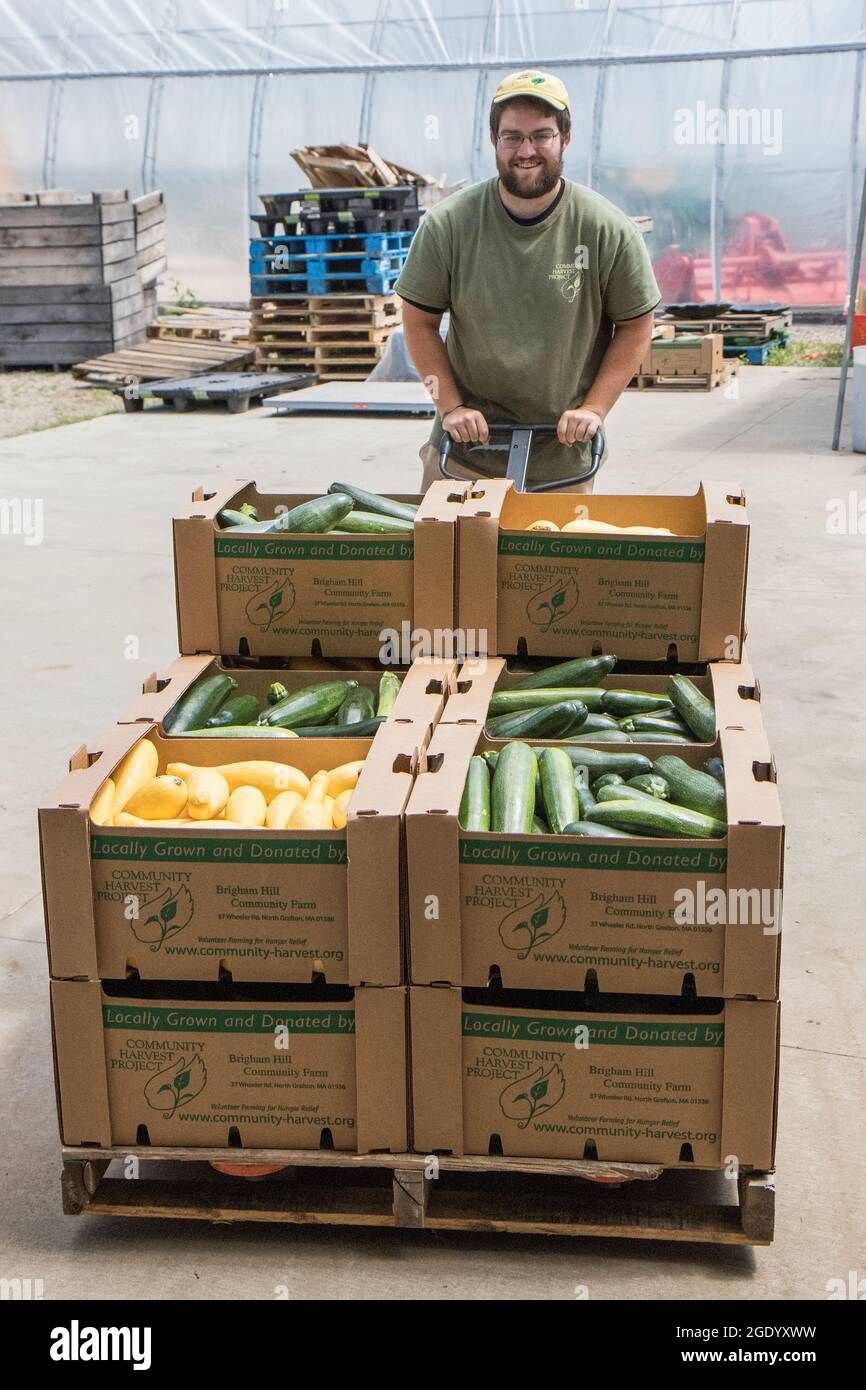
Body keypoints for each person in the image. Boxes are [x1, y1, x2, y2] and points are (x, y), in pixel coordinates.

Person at [396, 68, 661, 492]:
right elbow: (418, 322)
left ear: (565, 139)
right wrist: (450, 408)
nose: (526, 150)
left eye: (542, 135)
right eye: (512, 136)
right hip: (463, 455)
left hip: (564, 457)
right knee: (445, 558)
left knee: (552, 559)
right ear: (493, 141)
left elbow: (636, 325)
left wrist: (594, 409)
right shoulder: (449, 225)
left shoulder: (605, 229)